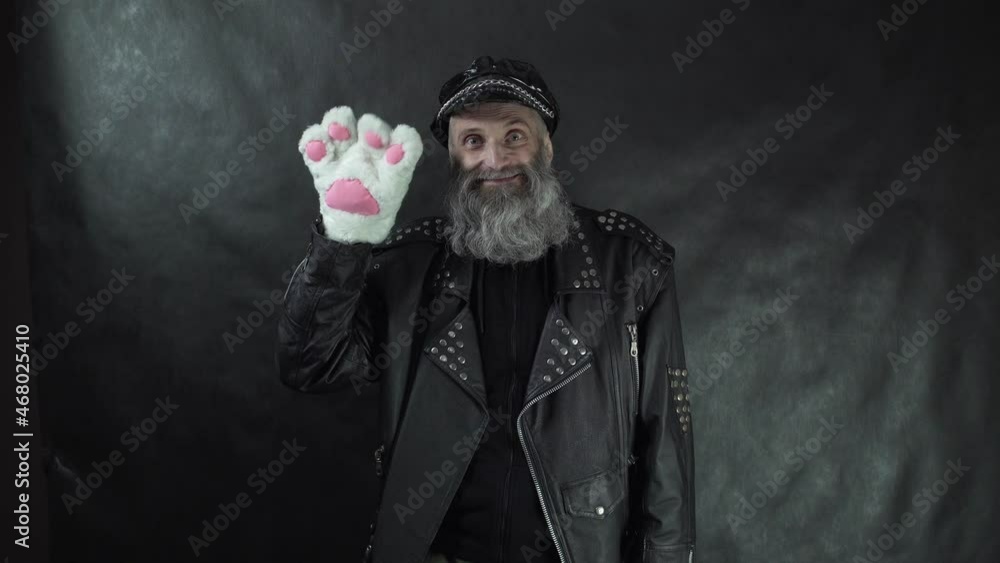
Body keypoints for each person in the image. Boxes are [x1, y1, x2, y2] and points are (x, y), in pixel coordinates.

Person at [276, 55, 695, 563]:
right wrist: (343, 240)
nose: (494, 159)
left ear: (546, 145)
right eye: (473, 140)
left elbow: (666, 453)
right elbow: (310, 364)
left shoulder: (631, 264)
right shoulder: (408, 265)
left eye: (514, 136)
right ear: (452, 155)